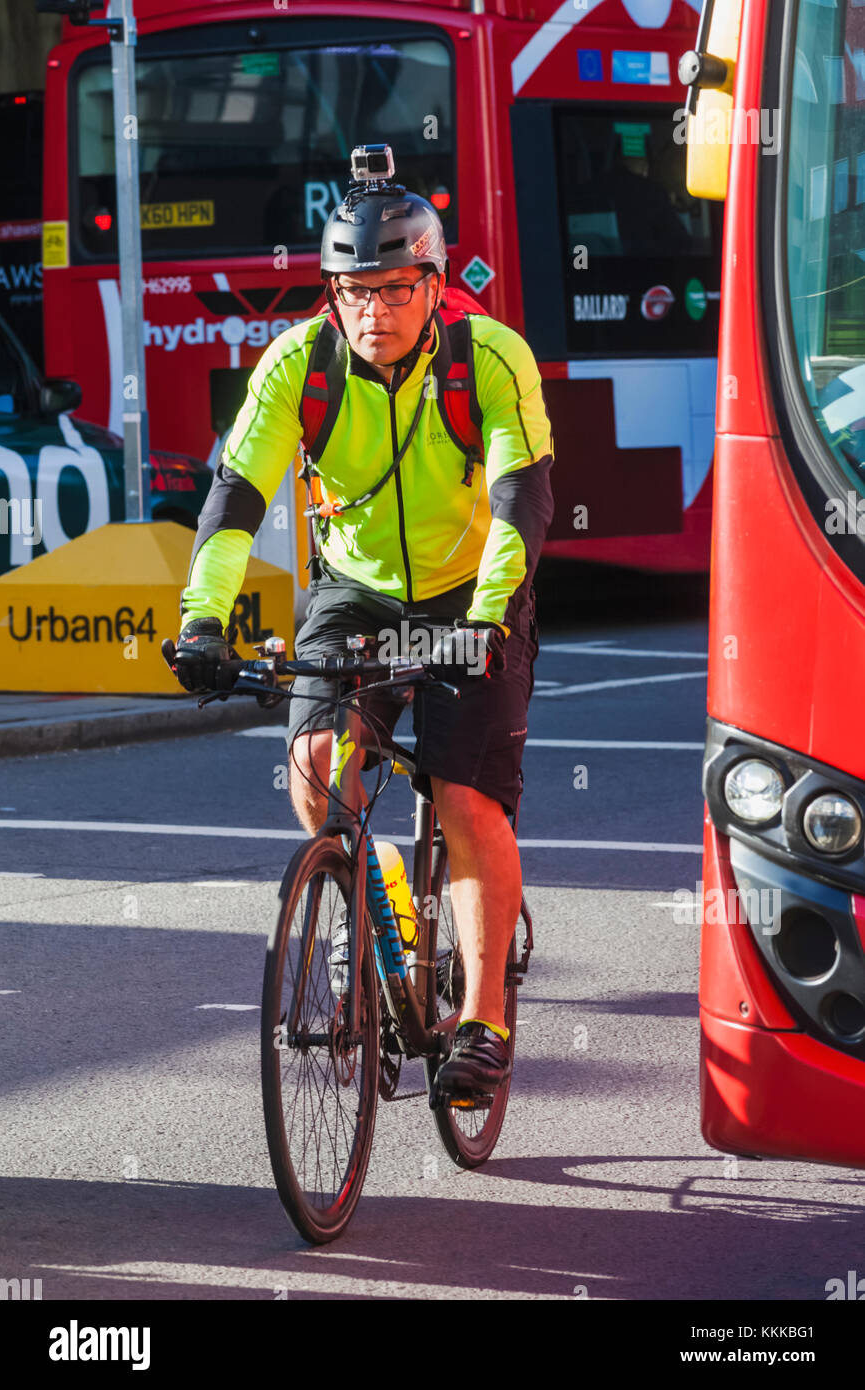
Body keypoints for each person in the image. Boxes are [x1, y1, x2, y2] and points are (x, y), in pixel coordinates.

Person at [170, 148, 554, 1096]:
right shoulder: (298, 364)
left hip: (475, 589)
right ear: (331, 293)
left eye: (391, 289)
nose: (372, 312)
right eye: (352, 291)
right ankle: (377, 895)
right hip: (357, 590)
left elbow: (523, 502)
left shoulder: (493, 357)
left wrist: (489, 620)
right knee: (316, 776)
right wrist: (205, 621)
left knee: (464, 799)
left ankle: (483, 1024)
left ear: (432, 282)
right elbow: (233, 499)